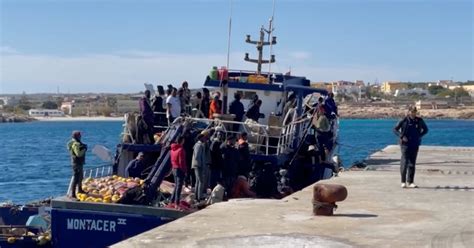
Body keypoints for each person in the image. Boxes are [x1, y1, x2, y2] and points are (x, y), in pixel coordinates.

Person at [393, 106, 428, 188]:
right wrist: (401, 136)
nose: (413, 113)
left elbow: (426, 130)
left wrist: (420, 136)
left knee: (412, 163)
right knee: (404, 162)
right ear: (409, 112)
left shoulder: (419, 120)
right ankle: (403, 181)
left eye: (415, 112)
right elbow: (395, 129)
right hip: (405, 144)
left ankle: (411, 181)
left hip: (415, 143)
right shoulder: (404, 120)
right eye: (412, 112)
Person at [67, 131, 87, 199]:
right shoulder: (75, 144)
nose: (80, 136)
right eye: (79, 135)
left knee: (80, 177)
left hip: (78, 163)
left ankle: (80, 190)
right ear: (77, 136)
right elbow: (78, 154)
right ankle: (73, 194)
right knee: (76, 178)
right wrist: (84, 149)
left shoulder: (76, 143)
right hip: (76, 163)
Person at [170, 136, 187, 208]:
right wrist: (185, 170)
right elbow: (181, 162)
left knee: (176, 186)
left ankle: (172, 201)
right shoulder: (181, 149)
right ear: (182, 141)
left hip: (174, 168)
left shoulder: (172, 149)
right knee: (179, 187)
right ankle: (177, 203)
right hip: (179, 169)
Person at [191, 134, 208, 201]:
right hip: (198, 165)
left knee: (198, 181)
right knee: (201, 181)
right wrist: (200, 165)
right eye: (204, 138)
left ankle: (197, 196)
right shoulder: (199, 145)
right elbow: (197, 156)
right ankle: (199, 197)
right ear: (200, 138)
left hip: (198, 165)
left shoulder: (199, 145)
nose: (205, 139)